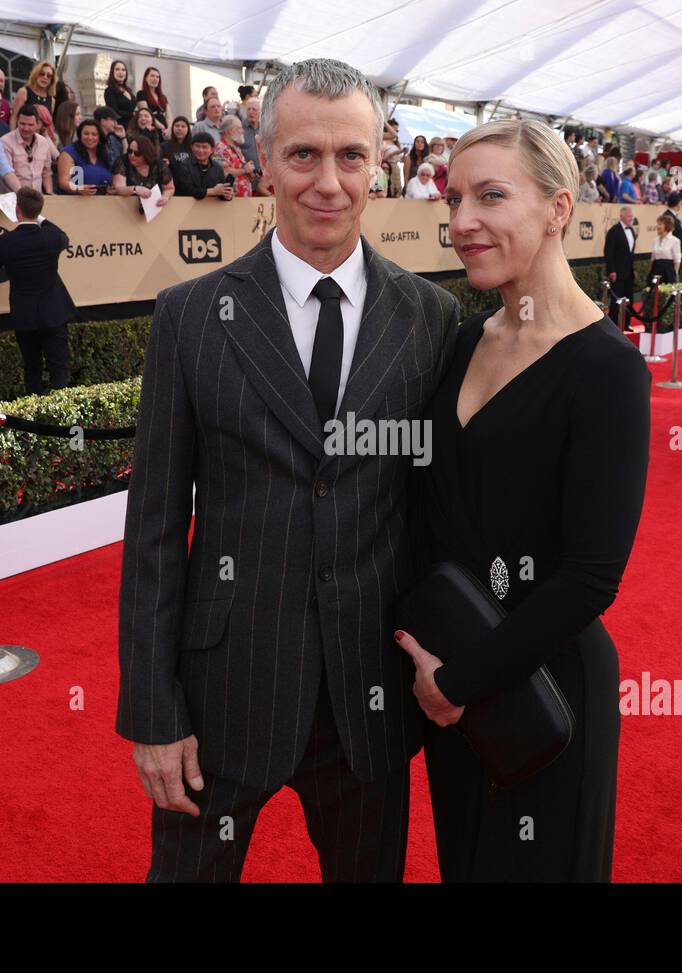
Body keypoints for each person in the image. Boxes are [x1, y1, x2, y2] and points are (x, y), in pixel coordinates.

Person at [117, 57, 460, 884]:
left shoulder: (431, 318)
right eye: (304, 155)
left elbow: (436, 511)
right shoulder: (191, 316)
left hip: (368, 696)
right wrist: (153, 712)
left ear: (378, 165)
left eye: (351, 156)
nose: (329, 182)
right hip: (223, 690)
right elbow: (156, 526)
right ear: (263, 162)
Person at [404, 117, 648, 883]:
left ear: (558, 209)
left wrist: (456, 681)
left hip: (543, 693)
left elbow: (591, 576)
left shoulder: (608, 370)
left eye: (490, 196)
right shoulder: (463, 338)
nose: (462, 221)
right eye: (452, 200)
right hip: (450, 688)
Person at [0, 187, 77, 394]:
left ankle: (35, 417)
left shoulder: (3, 241)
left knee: (32, 368)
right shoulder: (51, 237)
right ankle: (60, 416)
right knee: (58, 367)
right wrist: (39, 216)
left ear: (17, 209)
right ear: (39, 210)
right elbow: (62, 235)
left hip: (25, 315)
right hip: (54, 313)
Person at [1, 104, 56, 194]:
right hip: (12, 198)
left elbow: (46, 173)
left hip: (37, 200)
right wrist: (23, 195)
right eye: (22, 124)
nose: (26, 128)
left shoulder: (44, 143)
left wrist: (49, 194)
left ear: (38, 124)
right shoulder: (5, 142)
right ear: (17, 121)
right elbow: (7, 174)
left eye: (30, 125)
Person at [111, 134, 173, 204]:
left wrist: (165, 197)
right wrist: (135, 189)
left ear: (146, 154)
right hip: (125, 206)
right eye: (130, 151)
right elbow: (119, 188)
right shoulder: (122, 161)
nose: (132, 155)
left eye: (137, 153)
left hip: (154, 207)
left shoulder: (159, 164)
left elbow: (169, 188)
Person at [55, 118, 112, 195]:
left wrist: (110, 189)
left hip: (101, 203)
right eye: (86, 134)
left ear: (99, 137)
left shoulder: (104, 154)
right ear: (80, 135)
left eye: (94, 134)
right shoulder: (69, 152)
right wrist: (79, 189)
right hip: (72, 203)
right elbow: (63, 183)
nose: (90, 138)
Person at [170, 131, 229, 199]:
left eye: (205, 147)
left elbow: (222, 190)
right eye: (197, 146)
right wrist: (213, 191)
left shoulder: (217, 168)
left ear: (212, 150)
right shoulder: (183, 166)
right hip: (187, 207)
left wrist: (226, 195)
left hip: (212, 207)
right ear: (192, 147)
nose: (201, 150)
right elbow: (187, 190)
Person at [213, 114, 254, 197]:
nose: (243, 131)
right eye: (239, 128)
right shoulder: (220, 148)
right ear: (230, 131)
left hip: (243, 200)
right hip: (231, 200)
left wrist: (250, 174)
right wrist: (244, 170)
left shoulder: (236, 147)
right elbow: (224, 172)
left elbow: (241, 171)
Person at [604, 205, 637, 303]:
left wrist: (633, 269)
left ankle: (627, 319)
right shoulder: (614, 231)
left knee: (629, 300)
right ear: (621, 216)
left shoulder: (631, 230)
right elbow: (608, 252)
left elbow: (630, 253)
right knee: (616, 301)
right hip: (617, 274)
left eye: (632, 216)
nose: (631, 219)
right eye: (628, 216)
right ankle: (614, 318)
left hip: (629, 273)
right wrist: (612, 271)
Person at [649, 214, 681, 283]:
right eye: (658, 224)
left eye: (660, 224)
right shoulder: (655, 240)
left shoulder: (675, 240)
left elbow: (677, 261)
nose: (658, 226)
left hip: (668, 272)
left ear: (667, 226)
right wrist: (649, 274)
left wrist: (674, 276)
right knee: (654, 292)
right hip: (656, 271)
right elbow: (652, 259)